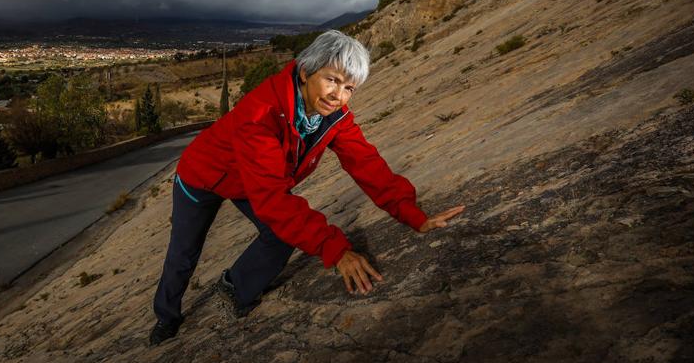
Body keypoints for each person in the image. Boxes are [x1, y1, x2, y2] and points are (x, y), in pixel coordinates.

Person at [150, 30, 465, 345]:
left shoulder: (335, 117)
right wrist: (336, 250)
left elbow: (366, 164)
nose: (338, 95)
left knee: (282, 234)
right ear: (305, 72)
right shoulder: (262, 113)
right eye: (332, 80)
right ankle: (166, 317)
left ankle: (236, 288)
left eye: (349, 88)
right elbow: (272, 201)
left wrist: (412, 214)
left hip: (252, 180)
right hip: (202, 176)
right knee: (183, 254)